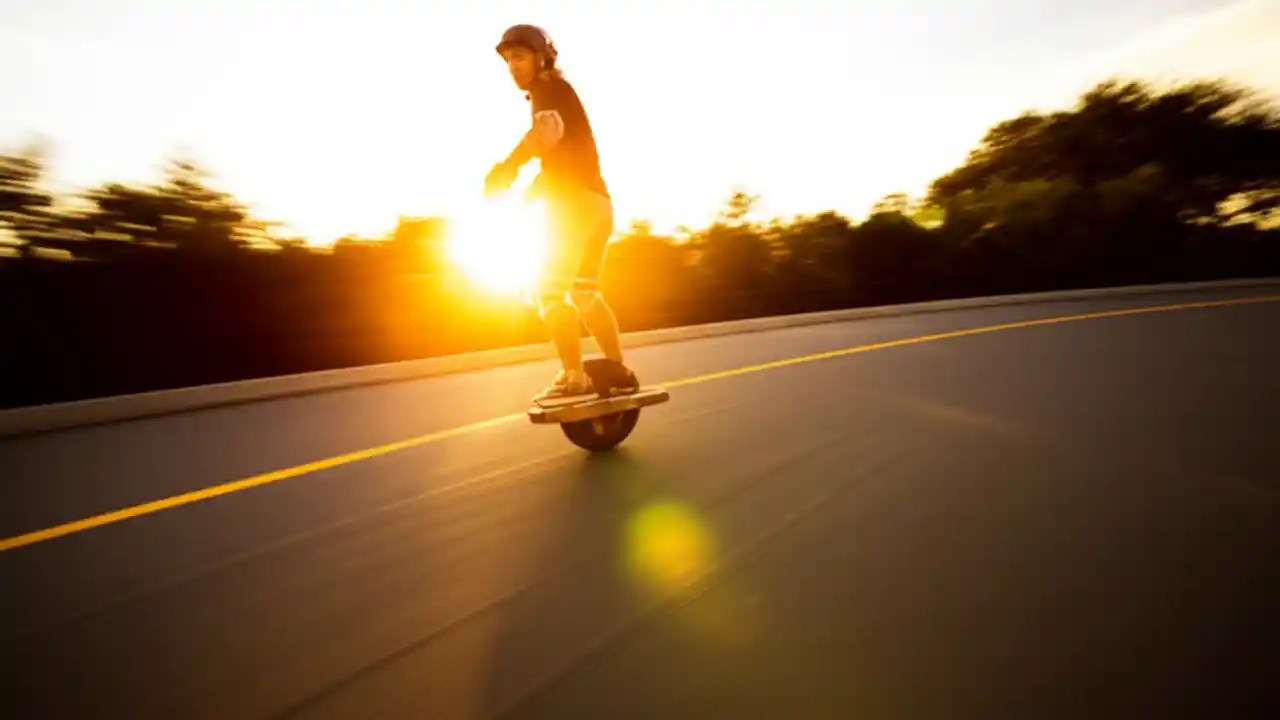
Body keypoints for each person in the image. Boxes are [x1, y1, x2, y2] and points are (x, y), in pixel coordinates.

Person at [485, 24, 638, 400]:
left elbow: (547, 134)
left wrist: (507, 168)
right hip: (598, 205)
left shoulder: (547, 90)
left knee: (549, 292)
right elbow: (560, 163)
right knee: (585, 292)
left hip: (574, 207)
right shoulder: (559, 92)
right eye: (507, 60)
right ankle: (619, 370)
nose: (512, 66)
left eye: (518, 57)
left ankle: (574, 376)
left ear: (541, 57)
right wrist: (527, 199)